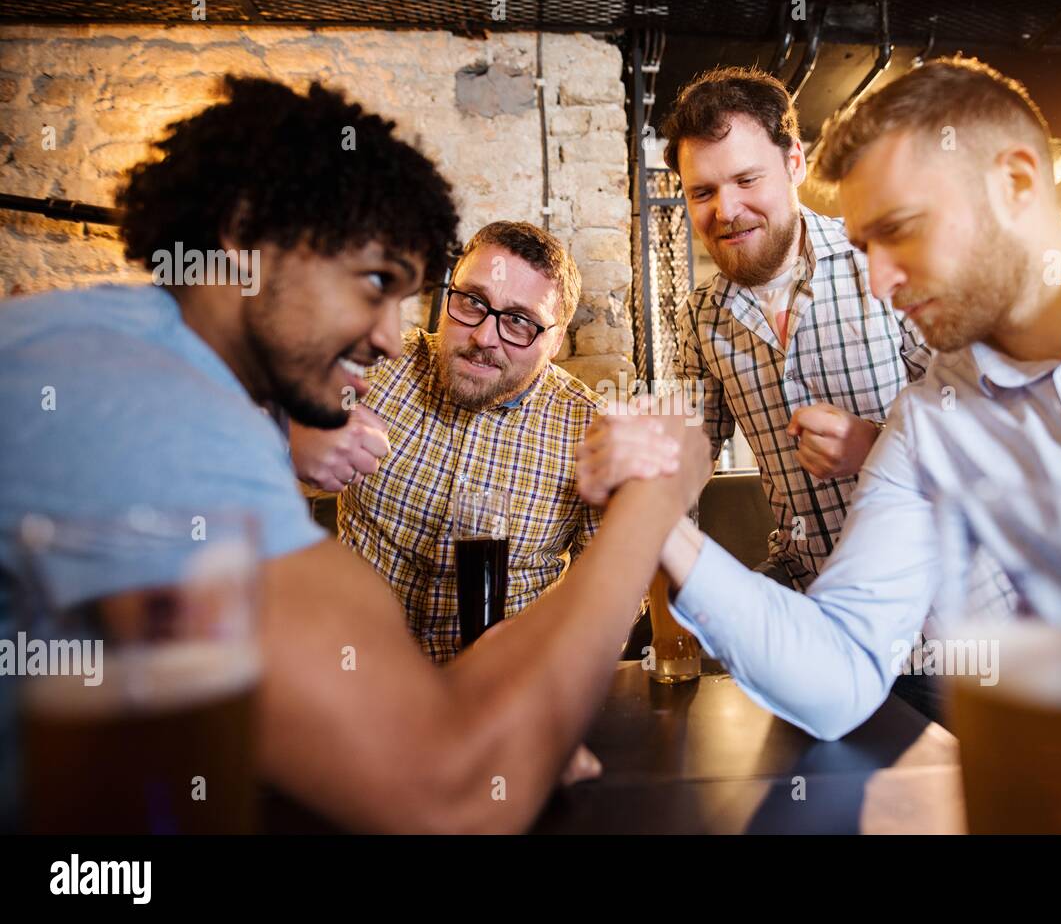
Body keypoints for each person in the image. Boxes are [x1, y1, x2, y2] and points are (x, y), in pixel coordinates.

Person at [579, 57, 1061, 832]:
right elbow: (845, 660)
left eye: (901, 232)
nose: (880, 278)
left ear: (1017, 182)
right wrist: (661, 522)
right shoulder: (933, 423)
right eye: (865, 242)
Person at [0, 75, 709, 833]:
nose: (383, 336)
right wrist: (659, 499)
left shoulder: (93, 338)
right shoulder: (159, 406)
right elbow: (448, 791)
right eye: (374, 283)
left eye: (400, 296)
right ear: (246, 234)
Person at [660, 66, 930, 591]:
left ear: (794, 163)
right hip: (811, 609)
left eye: (746, 180)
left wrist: (876, 446)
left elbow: (985, 427)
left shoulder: (882, 263)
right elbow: (689, 457)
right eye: (702, 192)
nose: (726, 210)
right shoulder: (702, 316)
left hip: (931, 614)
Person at [290, 221, 605, 662]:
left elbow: (614, 592)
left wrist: (544, 643)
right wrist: (288, 437)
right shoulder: (375, 367)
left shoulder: (590, 431)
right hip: (352, 675)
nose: (483, 337)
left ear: (555, 341)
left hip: (499, 693)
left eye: (518, 321)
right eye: (473, 302)